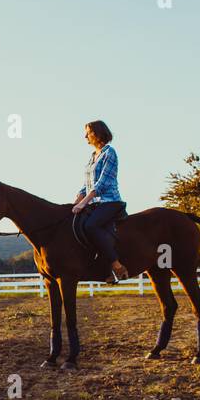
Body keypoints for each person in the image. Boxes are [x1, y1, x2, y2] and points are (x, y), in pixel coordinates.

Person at [71, 120, 129, 281]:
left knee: (91, 226)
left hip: (110, 201)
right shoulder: (92, 157)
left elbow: (101, 183)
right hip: (94, 203)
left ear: (97, 133)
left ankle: (116, 266)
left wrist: (84, 203)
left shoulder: (110, 153)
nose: (85, 136)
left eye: (88, 132)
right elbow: (86, 185)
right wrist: (77, 200)